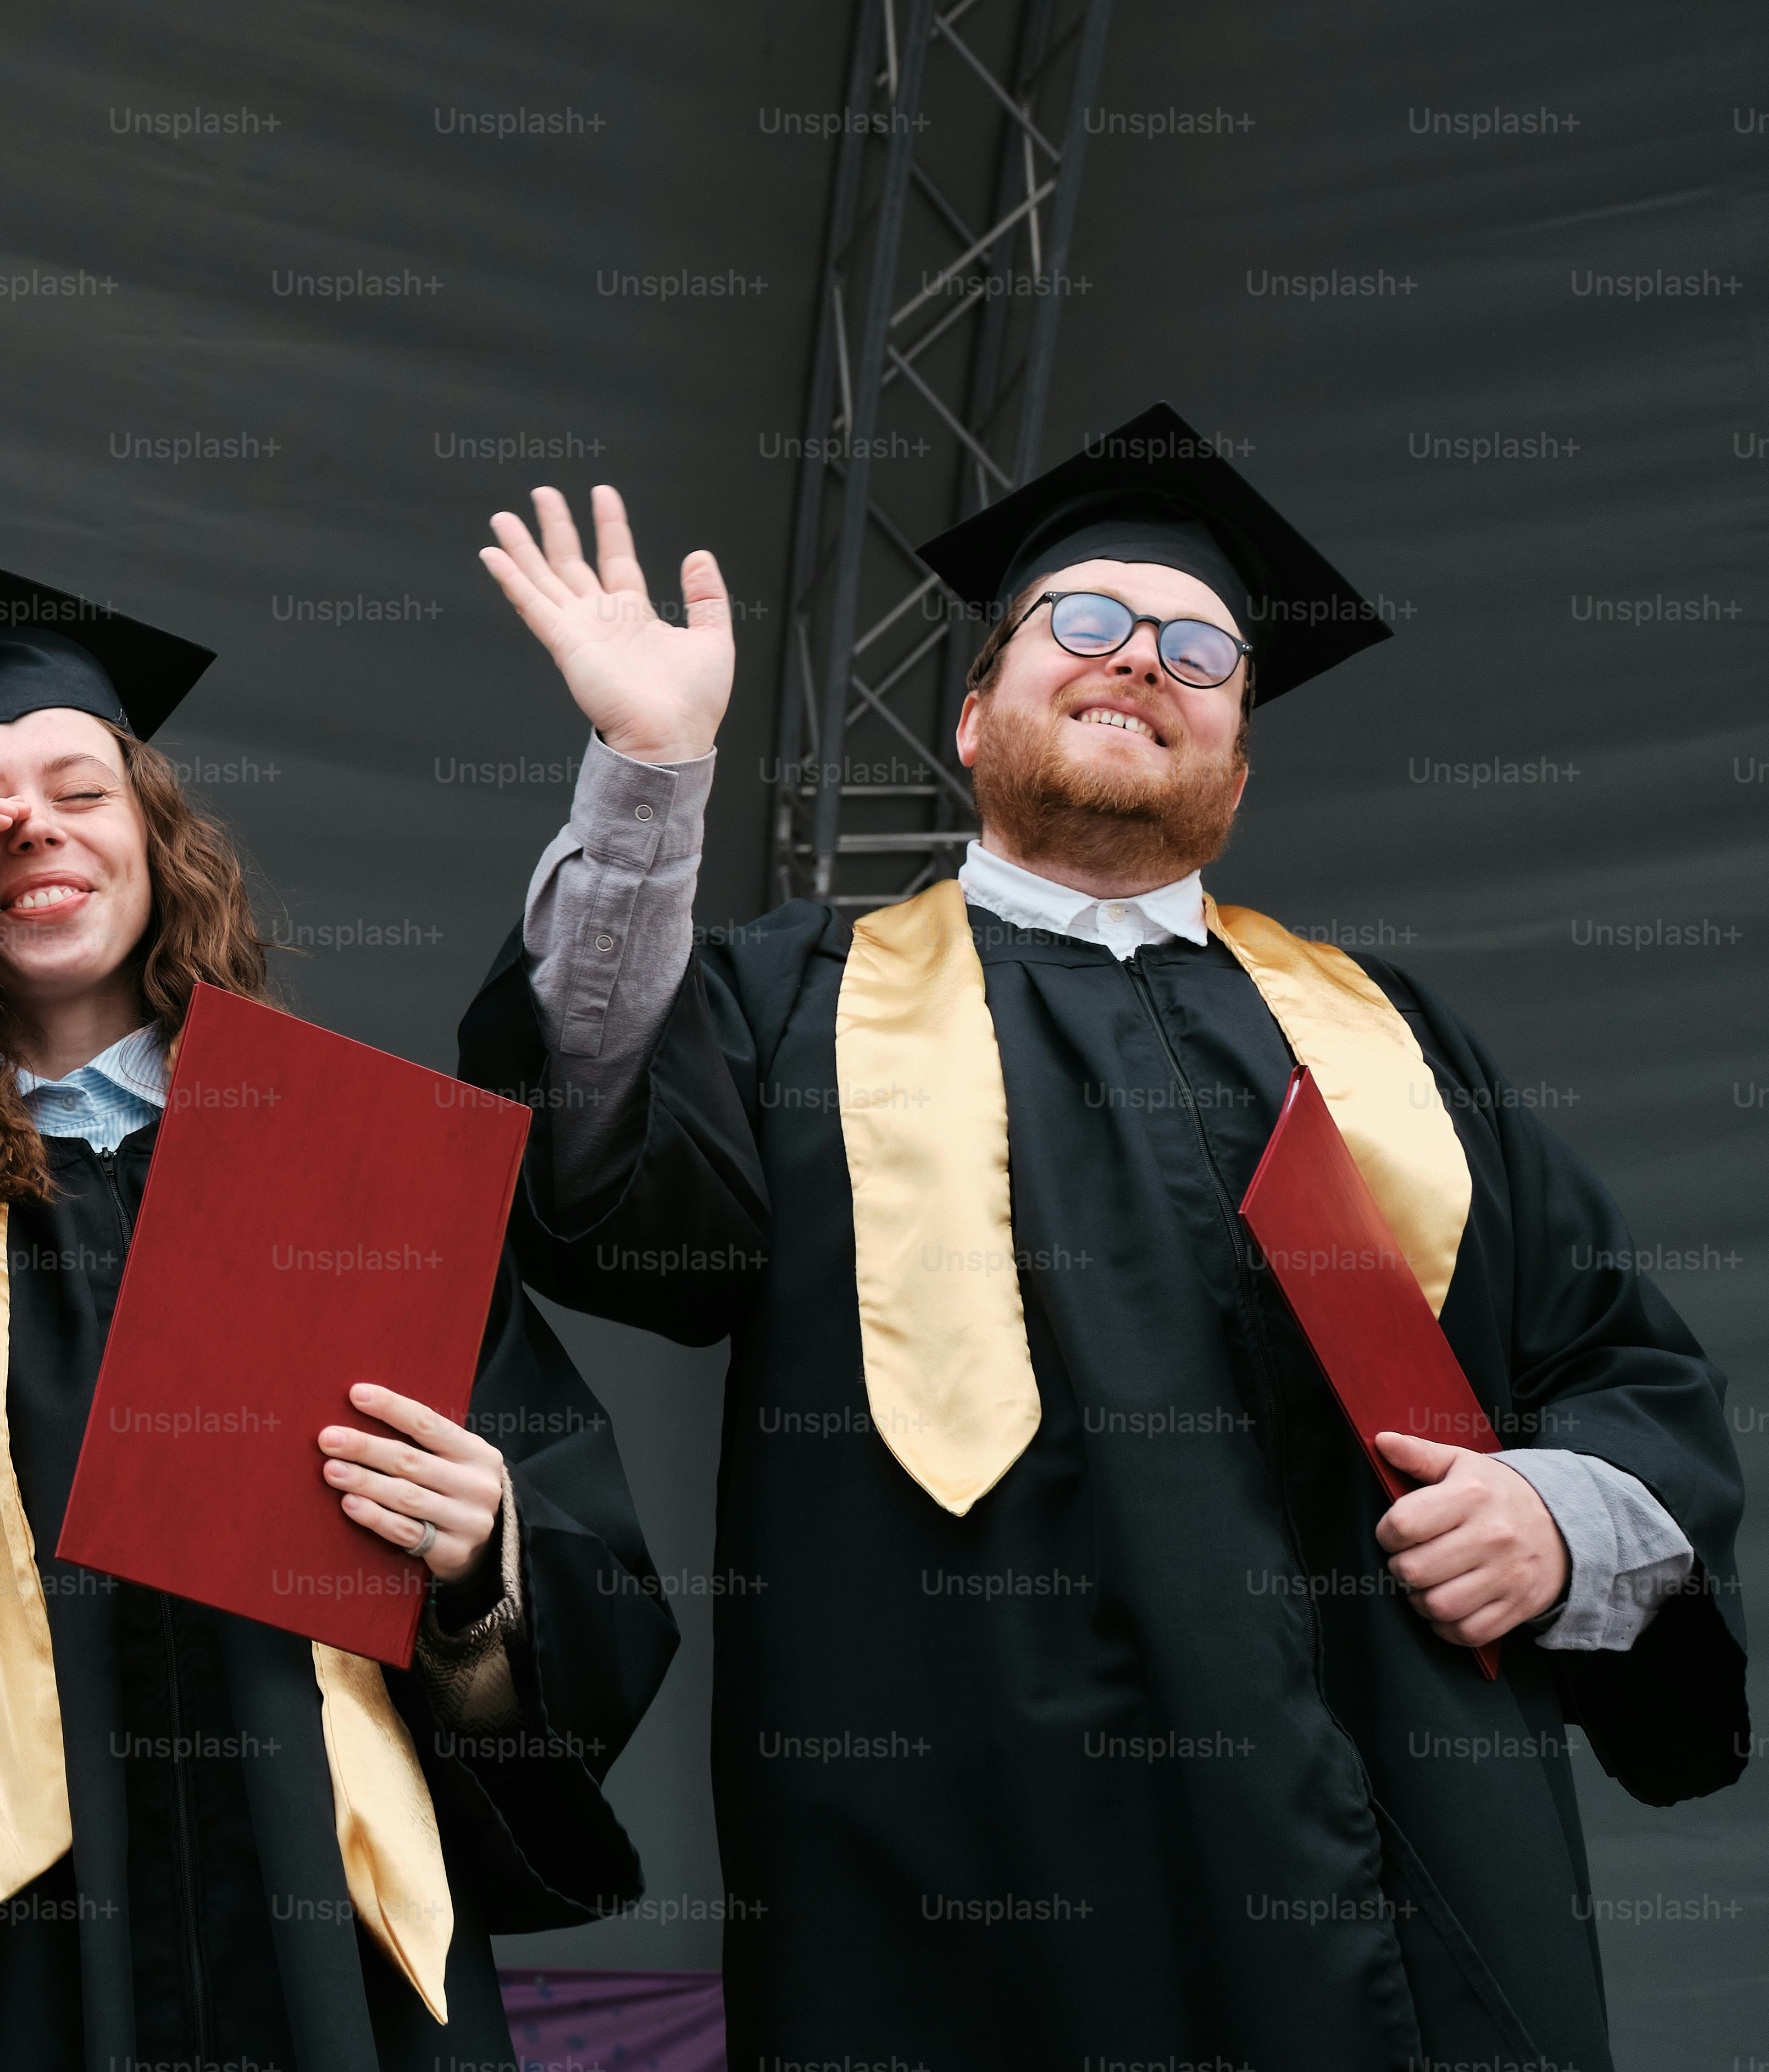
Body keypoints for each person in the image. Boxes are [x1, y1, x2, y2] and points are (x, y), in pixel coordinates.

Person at [457, 404, 1746, 2069]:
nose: (1141, 657)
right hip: (961, 1867)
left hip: (1391, 1852)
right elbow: (603, 1164)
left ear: (1241, 756)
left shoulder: (1389, 1043)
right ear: (977, 711)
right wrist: (648, 777)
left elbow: (1622, 1358)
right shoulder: (803, 1004)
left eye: (1200, 649)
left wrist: (1561, 1519)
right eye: (1083, 621)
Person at [0, 556, 678, 2072]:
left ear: (161, 840)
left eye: (80, 787)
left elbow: (577, 1566)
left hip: (301, 1903)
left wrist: (481, 1565)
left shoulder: (345, 1172)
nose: (31, 823)